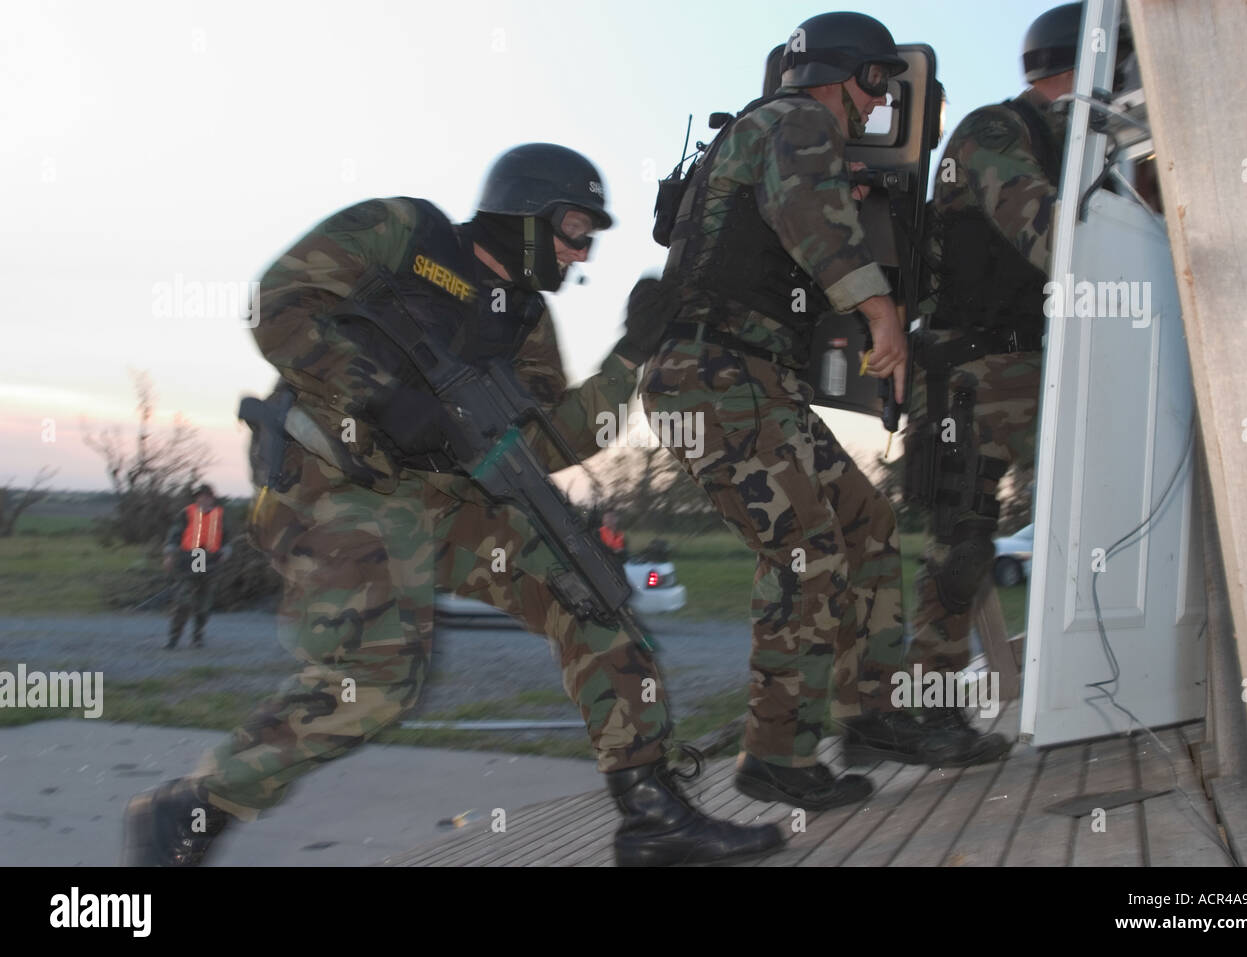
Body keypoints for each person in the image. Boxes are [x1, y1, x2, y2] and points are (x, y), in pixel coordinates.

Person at [122, 143, 782, 868]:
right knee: (377, 683)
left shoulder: (525, 321)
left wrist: (631, 356)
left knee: (592, 597)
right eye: (573, 229)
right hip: (337, 485)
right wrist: (378, 393)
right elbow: (275, 302)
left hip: (448, 498)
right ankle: (194, 805)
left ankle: (651, 812)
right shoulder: (403, 233)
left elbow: (545, 443)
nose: (581, 251)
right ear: (523, 215)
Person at [641, 12, 1006, 812]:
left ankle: (871, 715)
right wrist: (883, 317)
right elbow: (813, 221)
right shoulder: (798, 121)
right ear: (853, 75)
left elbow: (793, 213)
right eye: (878, 87)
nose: (878, 106)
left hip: (739, 376)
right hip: (714, 375)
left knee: (867, 521)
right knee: (805, 554)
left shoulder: (771, 132)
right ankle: (776, 756)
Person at [900, 4, 1080, 702]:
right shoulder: (994, 131)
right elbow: (1052, 234)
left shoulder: (1073, 144)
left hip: (1036, 364)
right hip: (970, 372)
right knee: (963, 542)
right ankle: (930, 704)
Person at [162, 484, 227, 649]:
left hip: (210, 562)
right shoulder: (186, 513)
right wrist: (169, 555)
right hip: (188, 560)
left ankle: (198, 636)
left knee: (203, 604)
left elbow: (226, 538)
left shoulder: (220, 515)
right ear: (197, 497)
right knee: (183, 601)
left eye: (207, 496)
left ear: (212, 498)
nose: (203, 499)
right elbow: (174, 536)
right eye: (200, 496)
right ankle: (173, 638)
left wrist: (225, 552)